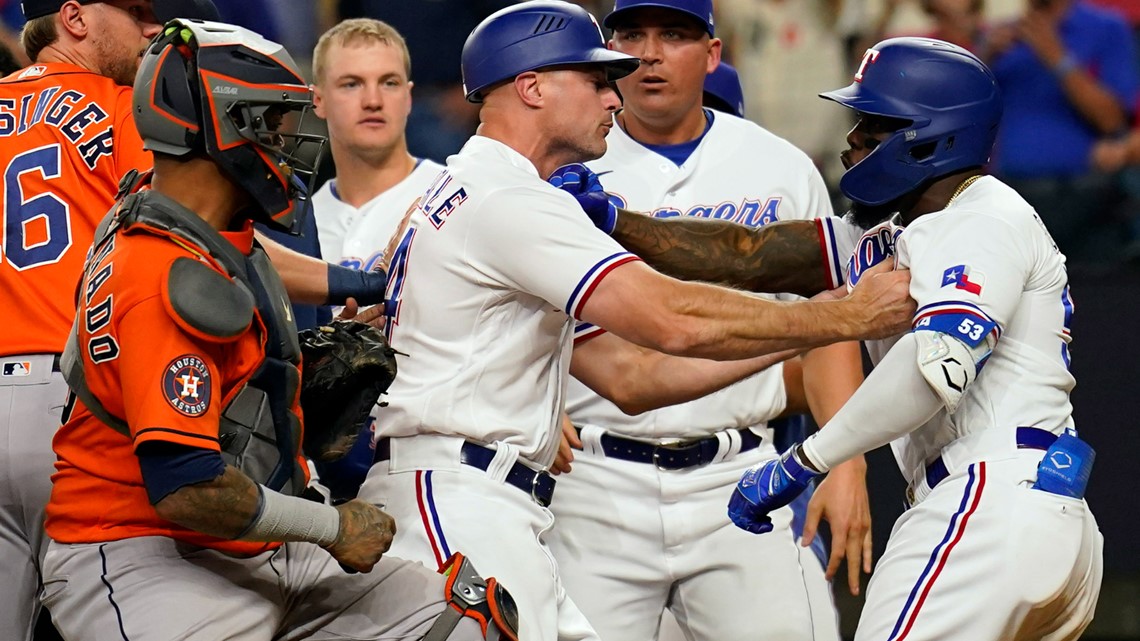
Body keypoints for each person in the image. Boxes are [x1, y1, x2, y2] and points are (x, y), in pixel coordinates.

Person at [352, 2, 915, 640]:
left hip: (490, 492)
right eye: (594, 80)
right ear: (533, 87)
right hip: (465, 496)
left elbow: (630, 369)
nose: (612, 96)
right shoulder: (508, 200)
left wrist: (822, 326)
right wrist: (835, 315)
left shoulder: (480, 185)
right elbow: (668, 317)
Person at [40, 19, 493, 641]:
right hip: (142, 548)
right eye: (274, 121)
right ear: (227, 127)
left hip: (255, 539)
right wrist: (335, 527)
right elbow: (186, 485)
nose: (292, 141)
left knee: (465, 617)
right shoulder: (162, 278)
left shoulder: (181, 215)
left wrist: (288, 381)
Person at [637, 37, 1098, 641]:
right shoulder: (898, 227)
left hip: (988, 497)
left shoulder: (980, 218)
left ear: (931, 137)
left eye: (872, 127)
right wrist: (613, 222)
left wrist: (809, 459)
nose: (852, 141)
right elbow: (748, 255)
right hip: (1035, 508)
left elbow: (936, 368)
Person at [545, 3, 868, 641]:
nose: (651, 53)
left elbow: (830, 325)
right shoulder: (566, 170)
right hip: (594, 485)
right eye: (632, 35)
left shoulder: (781, 166)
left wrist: (847, 461)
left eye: (674, 35)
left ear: (713, 54)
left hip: (740, 477)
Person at [0, 2, 220, 640]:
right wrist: (354, 279)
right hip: (74, 409)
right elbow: (194, 238)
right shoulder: (124, 106)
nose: (150, 27)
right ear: (73, 17)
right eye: (135, 11)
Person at [307, 17, 446, 497]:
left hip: (434, 455)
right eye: (351, 84)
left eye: (388, 83)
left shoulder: (450, 196)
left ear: (408, 96)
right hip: (325, 469)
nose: (373, 99)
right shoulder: (296, 222)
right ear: (317, 99)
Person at [984, 0, 1139, 259]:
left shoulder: (1107, 28)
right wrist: (983, 59)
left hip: (1085, 200)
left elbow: (1112, 120)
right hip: (1009, 201)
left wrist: (1057, 57)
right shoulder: (1003, 36)